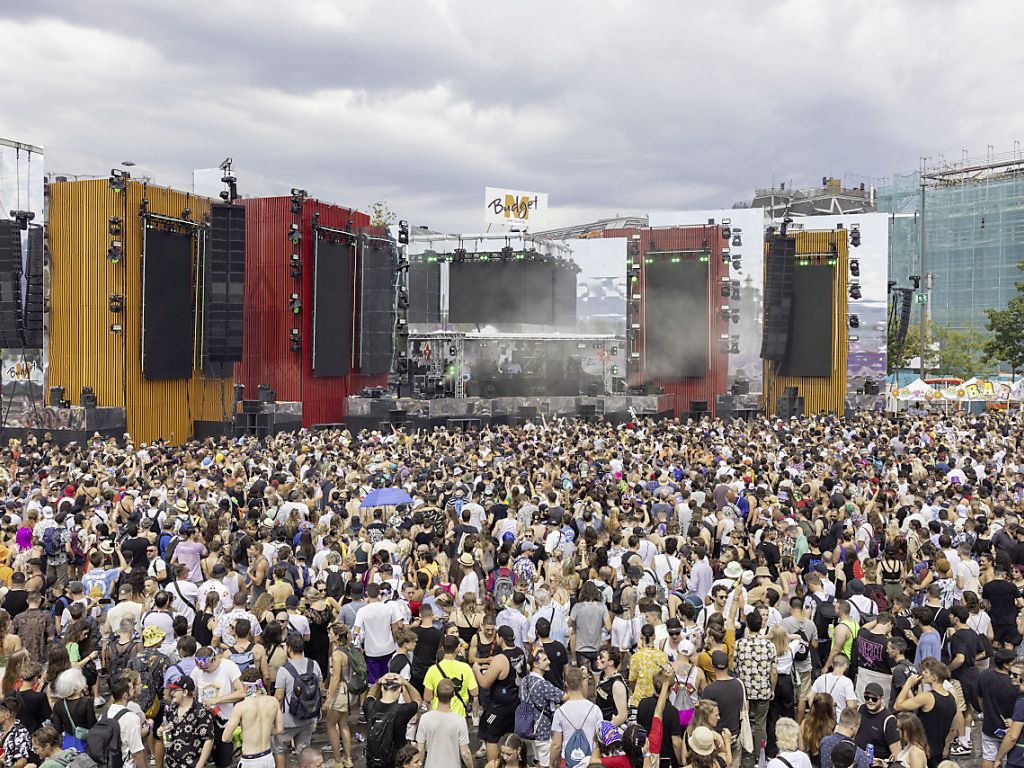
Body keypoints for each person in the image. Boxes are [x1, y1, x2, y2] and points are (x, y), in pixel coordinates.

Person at [893, 659, 960, 768]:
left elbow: (897, 706)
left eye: (926, 672)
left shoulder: (927, 697)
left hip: (923, 750)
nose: (922, 674)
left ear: (934, 677)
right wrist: (947, 745)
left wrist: (908, 684)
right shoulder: (952, 697)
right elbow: (954, 725)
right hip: (939, 749)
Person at [474, 625, 526, 763]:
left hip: (498, 708)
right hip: (515, 702)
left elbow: (485, 683)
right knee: (510, 737)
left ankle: (494, 765)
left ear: (500, 638)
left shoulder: (500, 658)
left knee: (491, 737)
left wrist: (476, 670)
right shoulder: (520, 652)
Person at [273, 632, 323, 768]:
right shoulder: (314, 665)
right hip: (308, 716)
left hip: (288, 719)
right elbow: (320, 689)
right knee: (304, 752)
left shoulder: (284, 670)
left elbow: (278, 697)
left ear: (289, 648)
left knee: (279, 750)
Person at [734, 611, 776, 768]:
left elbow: (735, 667)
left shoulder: (740, 644)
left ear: (748, 625)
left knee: (742, 722)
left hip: (744, 691)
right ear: (761, 625)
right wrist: (772, 688)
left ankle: (744, 753)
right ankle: (759, 756)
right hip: (763, 690)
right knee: (760, 724)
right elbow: (773, 671)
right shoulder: (769, 645)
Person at [190, 645, 244, 768]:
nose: (204, 671)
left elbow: (241, 692)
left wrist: (217, 700)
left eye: (207, 668)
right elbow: (191, 694)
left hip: (224, 723)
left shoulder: (229, 666)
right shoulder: (197, 671)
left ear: (214, 659)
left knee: (224, 762)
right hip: (203, 723)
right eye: (201, 668)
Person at [221, 667, 284, 768]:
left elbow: (225, 738)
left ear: (245, 687)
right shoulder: (273, 701)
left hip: (250, 760)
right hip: (267, 757)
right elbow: (279, 729)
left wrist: (241, 735)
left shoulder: (241, 706)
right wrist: (264, 730)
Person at [363, 673, 422, 768]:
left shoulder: (369, 706)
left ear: (382, 688)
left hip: (373, 760)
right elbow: (418, 699)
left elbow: (370, 694)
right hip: (394, 761)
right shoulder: (403, 711)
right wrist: (406, 683)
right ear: (399, 690)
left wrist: (378, 682)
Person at [550, 666, 603, 768]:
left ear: (566, 684)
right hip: (591, 760)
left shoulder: (560, 712)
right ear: (582, 683)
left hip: (568, 760)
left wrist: (551, 763)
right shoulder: (595, 709)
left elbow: (556, 745)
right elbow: (600, 739)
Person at [354, 583, 404, 685]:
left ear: (367, 593)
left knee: (374, 682)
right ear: (379, 593)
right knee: (389, 679)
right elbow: (395, 629)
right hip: (389, 649)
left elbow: (356, 632)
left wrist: (358, 647)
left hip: (372, 651)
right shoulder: (388, 608)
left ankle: (373, 700)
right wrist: (394, 642)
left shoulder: (362, 611)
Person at [416, 678, 473, 768]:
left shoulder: (425, 719)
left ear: (435, 694)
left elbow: (420, 749)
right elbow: (465, 753)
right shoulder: (460, 721)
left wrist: (418, 764)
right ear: (453, 695)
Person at [161, 675, 215, 768]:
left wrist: (200, 764)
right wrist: (160, 731)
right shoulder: (171, 709)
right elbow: (166, 730)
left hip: (191, 764)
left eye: (176, 690)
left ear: (185, 692)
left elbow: (208, 739)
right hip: (171, 763)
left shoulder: (201, 712)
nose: (172, 693)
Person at [978, 649, 1019, 768]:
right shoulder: (1015, 683)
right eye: (1014, 661)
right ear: (1006, 665)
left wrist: (985, 711)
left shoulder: (984, 675)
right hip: (1010, 729)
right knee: (1005, 758)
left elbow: (979, 698)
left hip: (989, 725)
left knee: (988, 756)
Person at [423, 635, 477, 719]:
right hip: (459, 716)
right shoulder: (465, 668)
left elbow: (427, 697)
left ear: (443, 649)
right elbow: (474, 692)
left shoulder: (432, 670)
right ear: (457, 648)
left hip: (438, 715)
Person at [106, 675, 148, 768]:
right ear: (125, 695)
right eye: (132, 689)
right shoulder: (131, 718)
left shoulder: (105, 715)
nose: (134, 691)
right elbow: (137, 753)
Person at [853, 682, 900, 762]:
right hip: (857, 759)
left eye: (874, 699)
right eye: (867, 697)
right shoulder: (860, 709)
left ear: (882, 699)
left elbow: (896, 753)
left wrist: (883, 763)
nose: (870, 701)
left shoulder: (888, 720)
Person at [809, 655, 857, 721]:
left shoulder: (821, 678)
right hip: (837, 720)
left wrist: (814, 712)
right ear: (845, 665)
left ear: (832, 665)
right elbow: (851, 706)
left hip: (819, 717)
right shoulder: (847, 682)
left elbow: (809, 696)